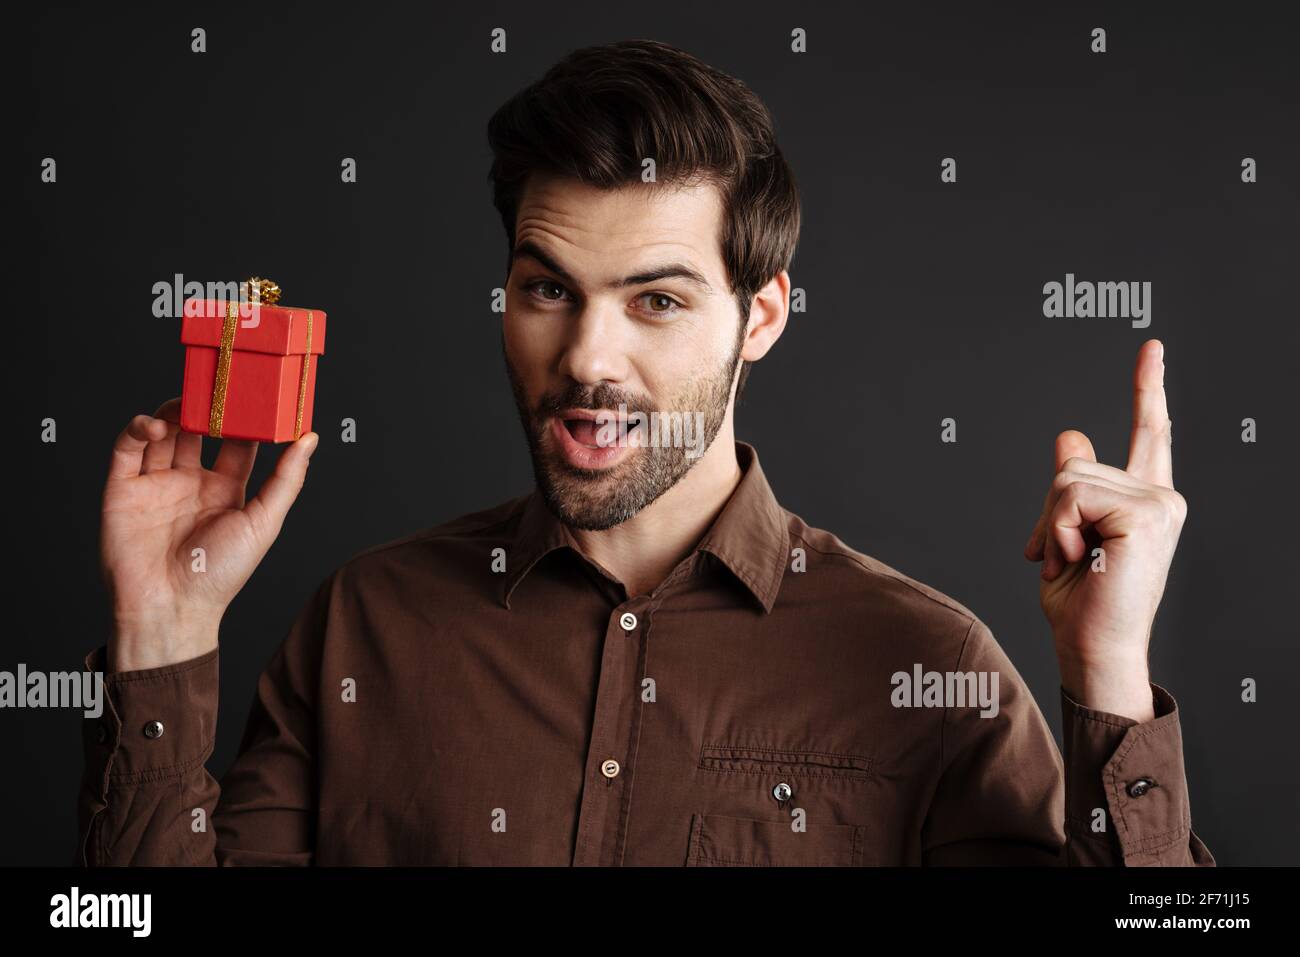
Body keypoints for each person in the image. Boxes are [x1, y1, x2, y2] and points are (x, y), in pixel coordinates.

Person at [79, 39, 1213, 866]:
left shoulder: (931, 668)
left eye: (656, 300)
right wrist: (162, 631)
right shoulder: (362, 625)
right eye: (546, 290)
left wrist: (1109, 679)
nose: (587, 358)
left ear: (760, 316)